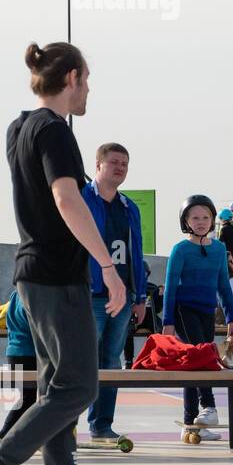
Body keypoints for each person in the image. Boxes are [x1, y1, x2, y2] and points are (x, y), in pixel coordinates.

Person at [0, 41, 131, 465]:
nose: (89, 91)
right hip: (57, 276)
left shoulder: (19, 127)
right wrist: (108, 266)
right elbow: (65, 198)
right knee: (79, 387)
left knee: (56, 391)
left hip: (33, 275)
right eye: (87, 80)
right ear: (72, 77)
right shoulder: (56, 130)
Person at [80, 143, 147, 443]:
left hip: (123, 297)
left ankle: (101, 425)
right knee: (83, 359)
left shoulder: (129, 207)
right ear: (98, 165)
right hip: (90, 293)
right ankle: (65, 425)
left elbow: (137, 253)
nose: (120, 167)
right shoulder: (81, 199)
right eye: (114, 162)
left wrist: (140, 296)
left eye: (125, 163)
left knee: (111, 361)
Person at [163, 195, 233, 442]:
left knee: (192, 364)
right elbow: (170, 287)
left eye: (206, 217)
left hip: (207, 312)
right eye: (195, 217)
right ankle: (209, 407)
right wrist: (167, 322)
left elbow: (224, 286)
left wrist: (232, 318)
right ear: (185, 221)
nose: (201, 222)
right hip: (184, 310)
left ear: (213, 220)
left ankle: (191, 424)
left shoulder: (218, 249)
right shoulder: (180, 250)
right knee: (201, 356)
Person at [0, 290, 36, 448]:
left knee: (27, 399)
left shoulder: (15, 295)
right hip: (29, 353)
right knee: (29, 399)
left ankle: (11, 436)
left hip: (13, 352)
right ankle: (4, 435)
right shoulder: (34, 295)